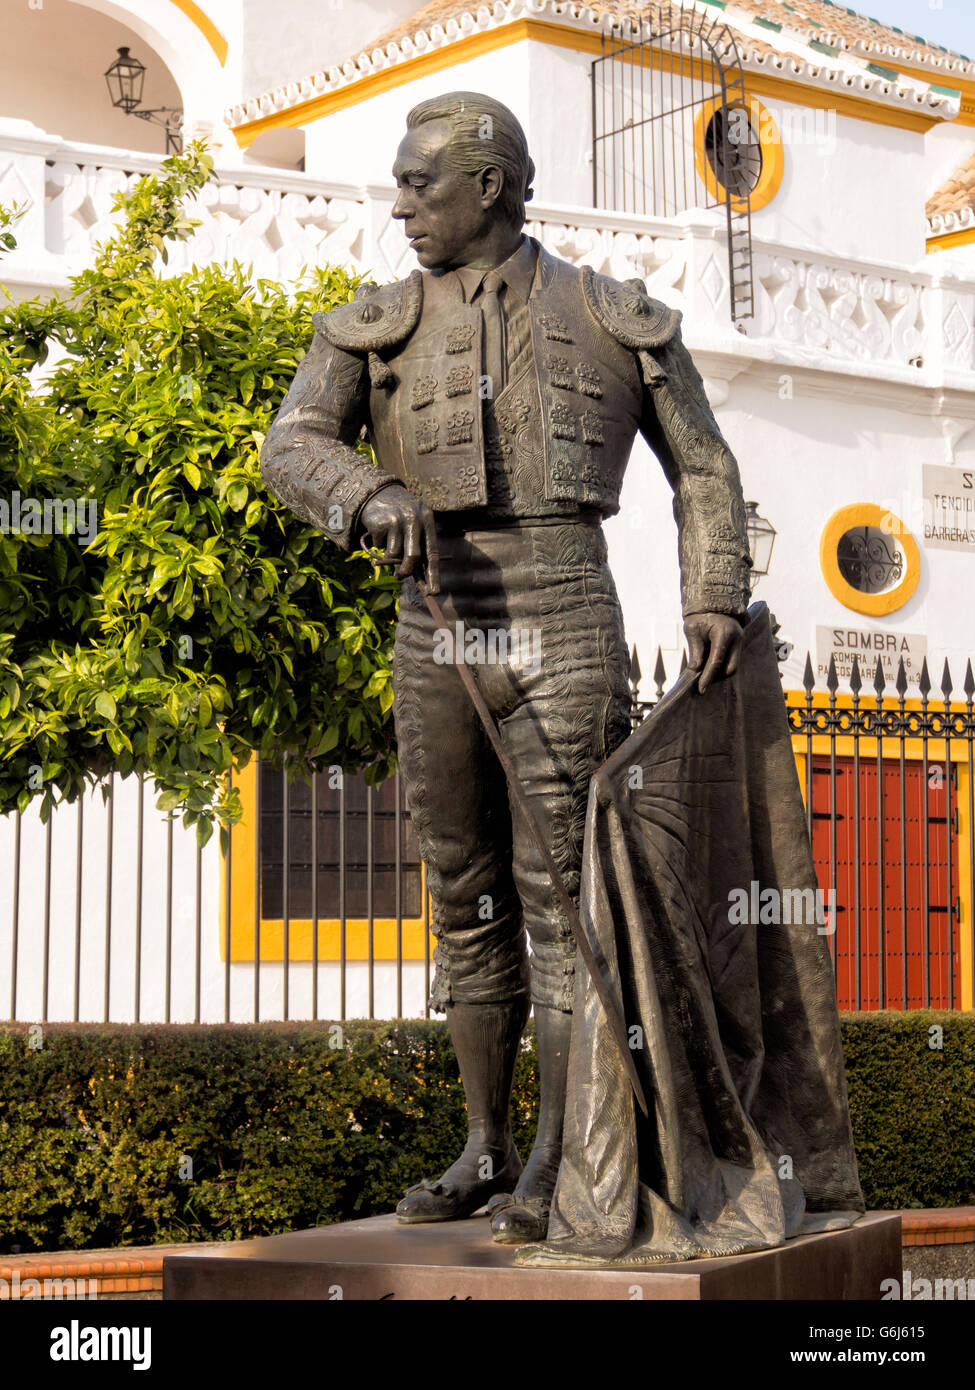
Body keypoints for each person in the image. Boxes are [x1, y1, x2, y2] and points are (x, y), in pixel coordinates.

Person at [260, 91, 751, 1244]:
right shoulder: (371, 323)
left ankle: (555, 1156)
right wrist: (368, 492)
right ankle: (483, 1142)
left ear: (490, 185)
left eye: (419, 184)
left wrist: (714, 588)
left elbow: (707, 469)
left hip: (565, 601)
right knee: (462, 888)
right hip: (437, 608)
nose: (400, 205)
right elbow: (292, 442)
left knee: (561, 893)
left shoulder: (612, 314)